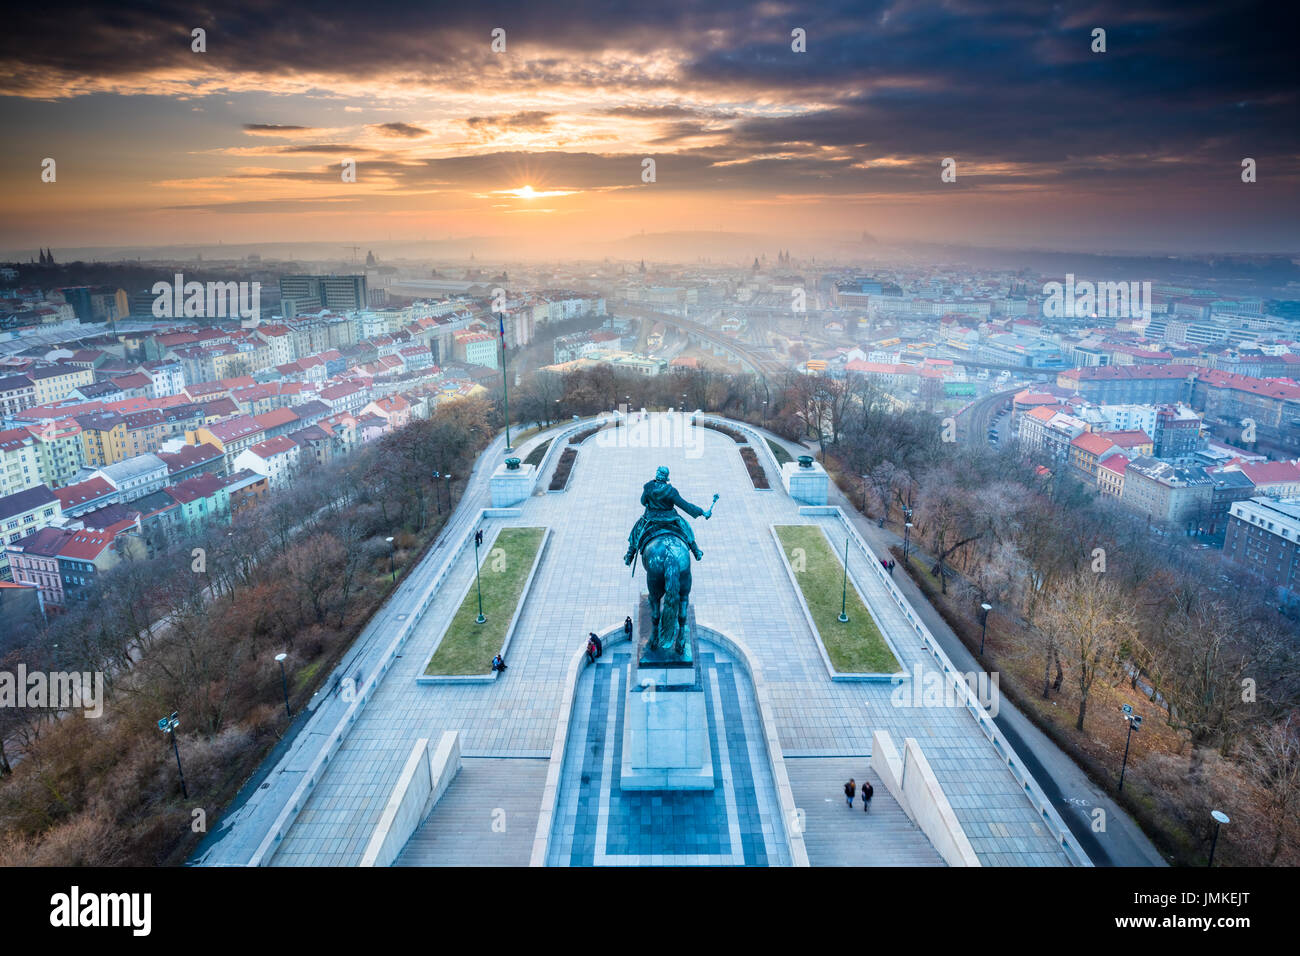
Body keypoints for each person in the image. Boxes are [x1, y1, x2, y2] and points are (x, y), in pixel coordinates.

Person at [624, 465, 709, 564]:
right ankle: (696, 550)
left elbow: (643, 502)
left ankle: (630, 555)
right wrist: (702, 512)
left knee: (637, 530)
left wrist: (650, 503)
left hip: (652, 518)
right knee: (686, 527)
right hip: (670, 519)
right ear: (666, 477)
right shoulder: (671, 491)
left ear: (657, 474)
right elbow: (685, 506)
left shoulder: (648, 487)